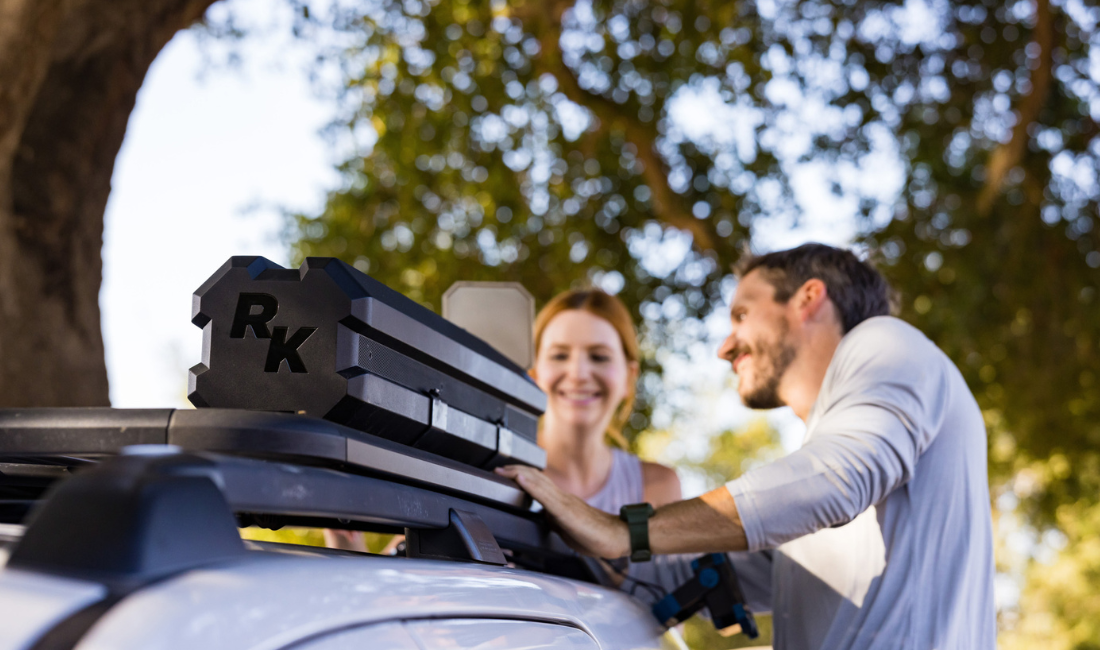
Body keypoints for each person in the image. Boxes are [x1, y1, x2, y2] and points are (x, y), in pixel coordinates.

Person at [498, 244, 996, 650]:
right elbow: (718, 572)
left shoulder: (886, 343)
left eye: (741, 314)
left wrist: (620, 531)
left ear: (808, 298)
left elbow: (836, 481)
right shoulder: (830, 469)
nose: (724, 346)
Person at [531, 289, 681, 513]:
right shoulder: (499, 470)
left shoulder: (657, 487)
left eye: (599, 357)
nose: (578, 374)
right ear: (534, 374)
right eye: (559, 356)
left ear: (628, 378)